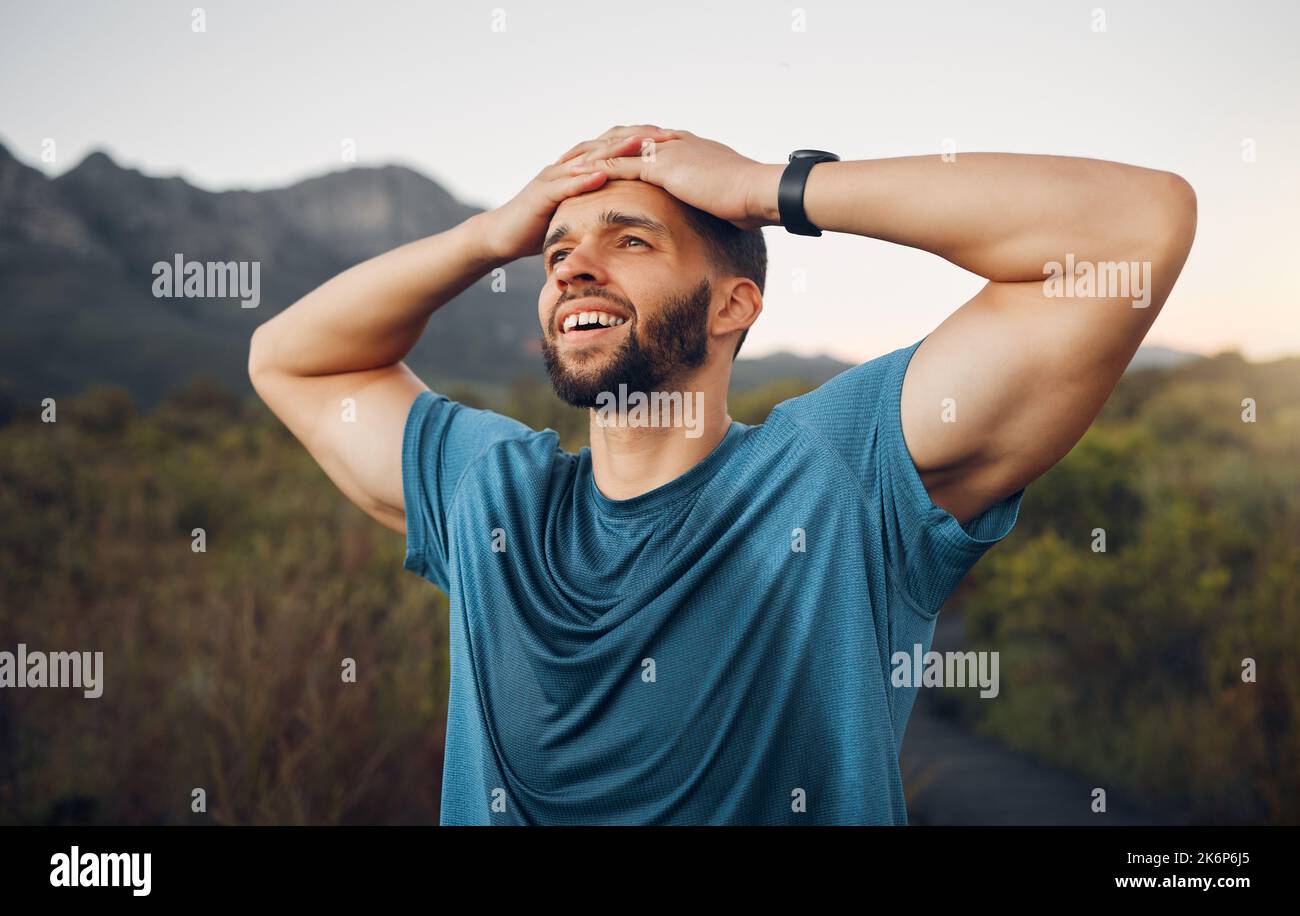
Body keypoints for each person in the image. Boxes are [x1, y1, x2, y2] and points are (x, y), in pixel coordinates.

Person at [248, 124, 1197, 824]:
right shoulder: (491, 493)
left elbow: (1132, 227)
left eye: (630, 242)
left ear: (732, 304)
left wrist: (760, 187)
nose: (574, 268)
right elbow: (290, 357)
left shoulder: (838, 472)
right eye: (557, 254)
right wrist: (490, 235)